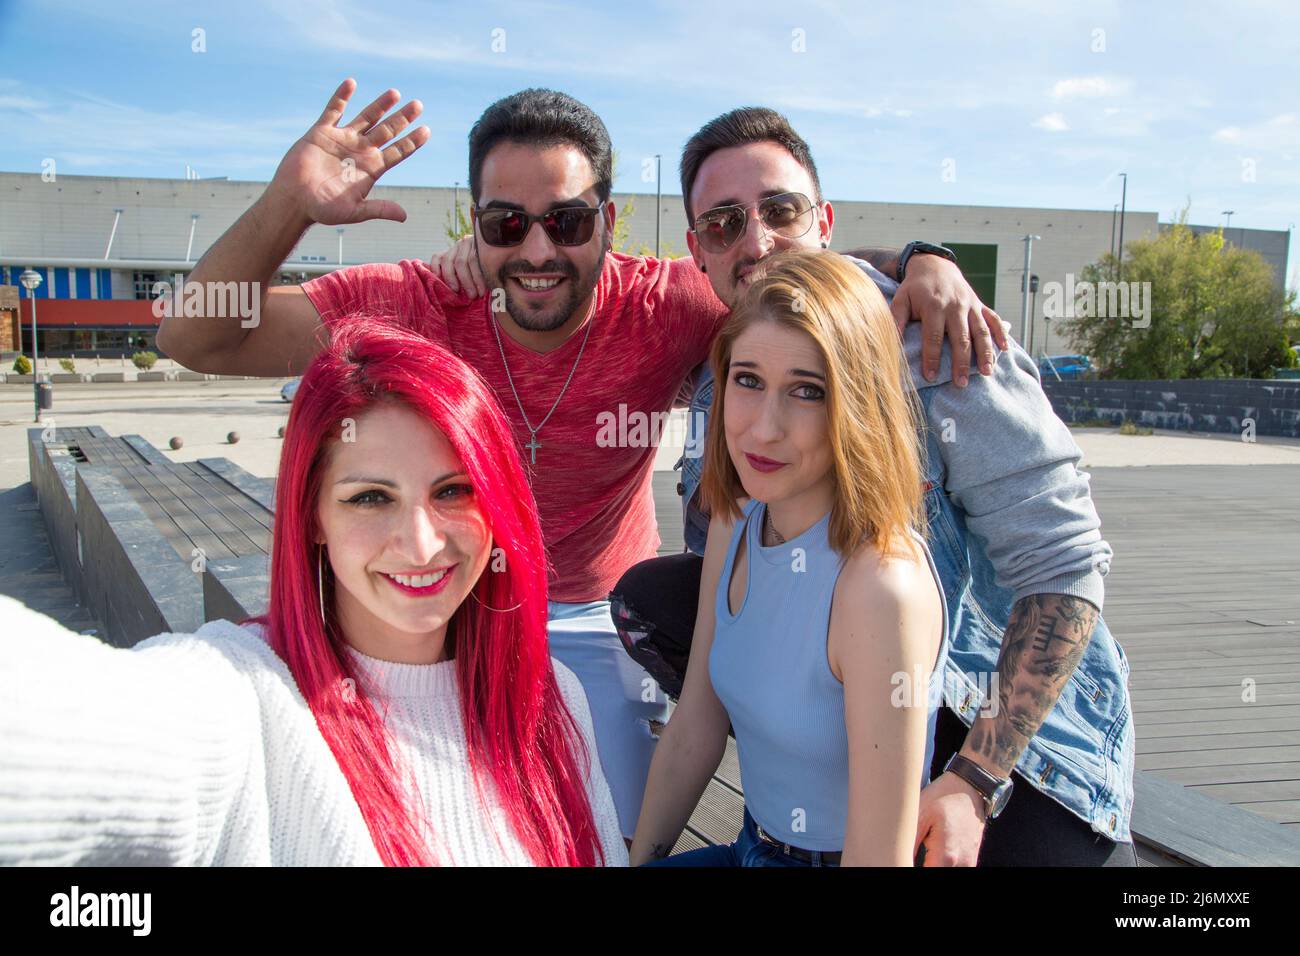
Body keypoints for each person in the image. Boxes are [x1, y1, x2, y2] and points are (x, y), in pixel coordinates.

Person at [156, 79, 998, 838]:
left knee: (599, 833)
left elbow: (781, 273)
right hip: (443, 602)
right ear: (473, 224)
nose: (536, 251)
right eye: (504, 224)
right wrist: (288, 205)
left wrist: (924, 261)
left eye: (567, 220)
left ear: (607, 222)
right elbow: (194, 336)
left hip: (597, 619)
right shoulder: (418, 301)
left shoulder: (666, 305)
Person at [610, 107, 1136, 866]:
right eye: (724, 225)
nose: (755, 241)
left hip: (1008, 727)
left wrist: (974, 780)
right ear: (698, 251)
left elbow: (1064, 566)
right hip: (838, 680)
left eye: (780, 211)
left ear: (821, 219)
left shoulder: (941, 347)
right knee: (652, 597)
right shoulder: (718, 381)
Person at [0, 320, 625, 866]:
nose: (422, 543)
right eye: (370, 498)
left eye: (454, 491)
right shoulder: (248, 696)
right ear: (313, 518)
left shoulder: (552, 700)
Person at [628, 250, 946, 866]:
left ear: (858, 405)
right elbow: (694, 724)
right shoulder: (736, 520)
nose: (764, 429)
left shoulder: (879, 588)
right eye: (748, 380)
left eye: (807, 391)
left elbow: (879, 858)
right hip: (750, 844)